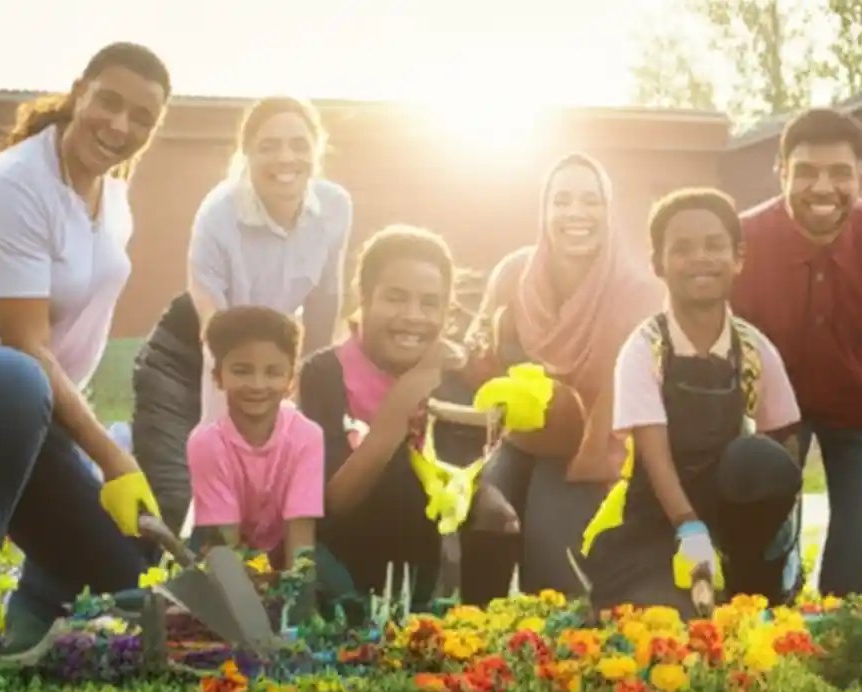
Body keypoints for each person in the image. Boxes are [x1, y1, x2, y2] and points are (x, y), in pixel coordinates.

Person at [0, 42, 171, 655]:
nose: (120, 126)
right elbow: (26, 348)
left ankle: (34, 616)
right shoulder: (17, 183)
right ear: (79, 91)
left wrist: (96, 460)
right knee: (15, 381)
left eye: (142, 117)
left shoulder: (113, 194)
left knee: (127, 576)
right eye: (109, 101)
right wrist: (111, 457)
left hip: (33, 418)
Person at [132, 96, 353, 532]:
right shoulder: (218, 216)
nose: (285, 157)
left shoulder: (335, 207)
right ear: (246, 153)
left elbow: (326, 303)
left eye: (298, 143)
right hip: (191, 351)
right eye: (268, 145)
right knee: (187, 502)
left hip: (266, 358)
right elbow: (215, 337)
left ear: (317, 148)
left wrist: (306, 393)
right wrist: (231, 434)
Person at [581, 188, 803, 615]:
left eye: (714, 245)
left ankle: (753, 572)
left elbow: (784, 444)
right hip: (658, 515)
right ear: (657, 265)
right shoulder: (645, 348)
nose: (700, 258)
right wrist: (689, 527)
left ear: (738, 258)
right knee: (662, 619)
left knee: (757, 459)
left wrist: (774, 526)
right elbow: (653, 450)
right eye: (682, 248)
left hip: (729, 507)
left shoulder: (753, 349)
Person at [459, 153, 663, 603]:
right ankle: (467, 641)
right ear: (544, 210)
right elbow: (481, 365)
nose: (576, 213)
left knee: (551, 563)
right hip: (519, 439)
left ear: (609, 212)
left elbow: (633, 406)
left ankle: (559, 655)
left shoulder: (639, 292)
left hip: (593, 449)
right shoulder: (515, 274)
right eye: (562, 200)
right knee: (479, 513)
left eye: (591, 201)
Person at [731, 108, 862, 597]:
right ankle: (773, 585)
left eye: (839, 173)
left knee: (851, 580)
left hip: (861, 415)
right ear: (782, 173)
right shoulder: (739, 243)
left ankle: (840, 607)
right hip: (772, 420)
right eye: (806, 172)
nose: (822, 187)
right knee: (758, 556)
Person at [297, 225, 489, 611]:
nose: (413, 317)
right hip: (343, 582)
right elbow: (335, 504)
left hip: (429, 590)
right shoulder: (325, 374)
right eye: (396, 298)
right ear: (363, 299)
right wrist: (406, 398)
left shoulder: (454, 383)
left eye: (430, 303)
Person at [187, 306, 323, 569]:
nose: (258, 385)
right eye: (242, 370)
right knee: (195, 586)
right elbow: (225, 545)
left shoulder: (308, 437)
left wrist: (297, 597)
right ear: (218, 377)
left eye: (272, 372)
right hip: (223, 546)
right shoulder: (205, 444)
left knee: (333, 583)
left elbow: (301, 540)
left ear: (291, 381)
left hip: (284, 545)